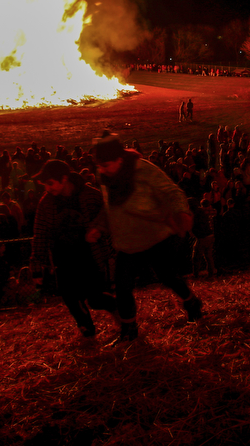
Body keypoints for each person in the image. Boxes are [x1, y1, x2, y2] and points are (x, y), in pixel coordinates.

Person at [92, 131, 203, 342]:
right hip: (128, 243)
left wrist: (181, 212)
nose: (101, 170)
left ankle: (192, 302)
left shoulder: (143, 170)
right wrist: (99, 225)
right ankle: (129, 331)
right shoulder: (106, 176)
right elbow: (110, 206)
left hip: (156, 236)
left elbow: (171, 191)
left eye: (105, 165)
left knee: (167, 276)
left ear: (119, 159)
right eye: (100, 166)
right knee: (122, 287)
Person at [30, 159, 117, 338]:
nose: (48, 188)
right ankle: (87, 330)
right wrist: (37, 265)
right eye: (45, 185)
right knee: (70, 297)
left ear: (64, 179)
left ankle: (120, 311)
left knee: (95, 298)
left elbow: (110, 217)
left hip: (89, 256)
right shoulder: (46, 204)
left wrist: (99, 232)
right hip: (63, 258)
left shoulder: (90, 196)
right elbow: (40, 233)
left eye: (50, 183)